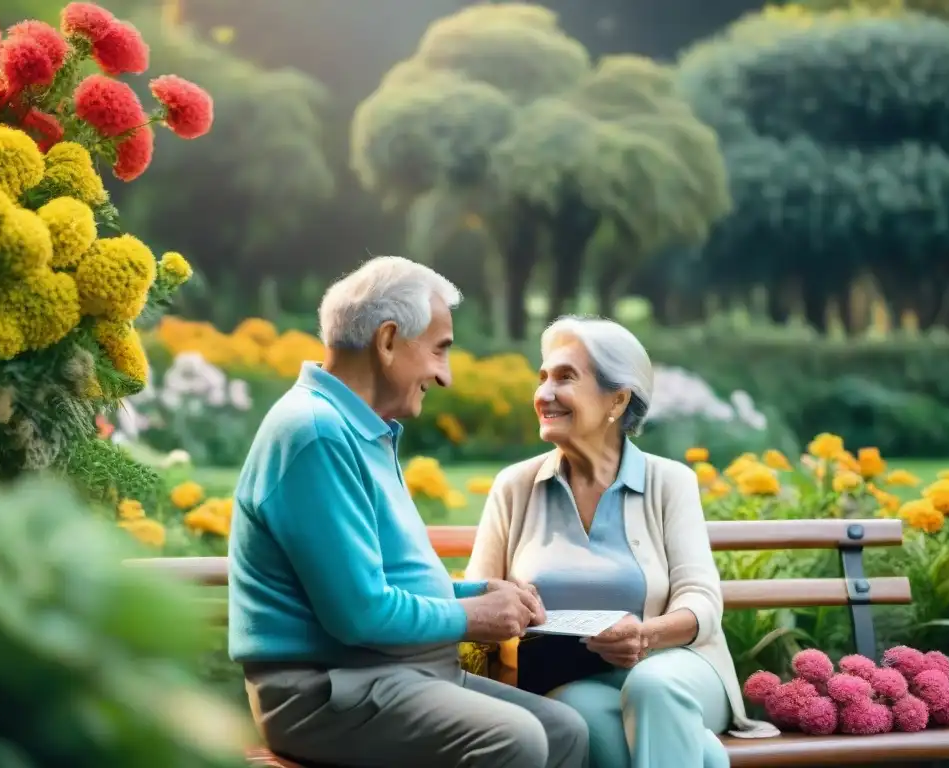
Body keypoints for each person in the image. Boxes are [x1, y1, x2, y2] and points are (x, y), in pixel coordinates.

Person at [228, 256, 590, 768]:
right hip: (329, 691)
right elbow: (361, 615)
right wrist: (471, 616)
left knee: (564, 731)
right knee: (515, 740)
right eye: (440, 350)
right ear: (389, 340)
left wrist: (479, 593)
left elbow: (384, 583)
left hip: (395, 676)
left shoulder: (359, 429)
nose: (444, 376)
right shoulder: (314, 432)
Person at [465, 316, 778, 768]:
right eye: (543, 378)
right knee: (579, 713)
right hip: (573, 682)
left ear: (617, 399)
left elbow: (702, 600)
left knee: (651, 688)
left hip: (679, 670)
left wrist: (647, 636)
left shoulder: (670, 482)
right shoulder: (515, 486)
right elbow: (480, 596)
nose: (544, 394)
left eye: (565, 378)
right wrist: (509, 602)